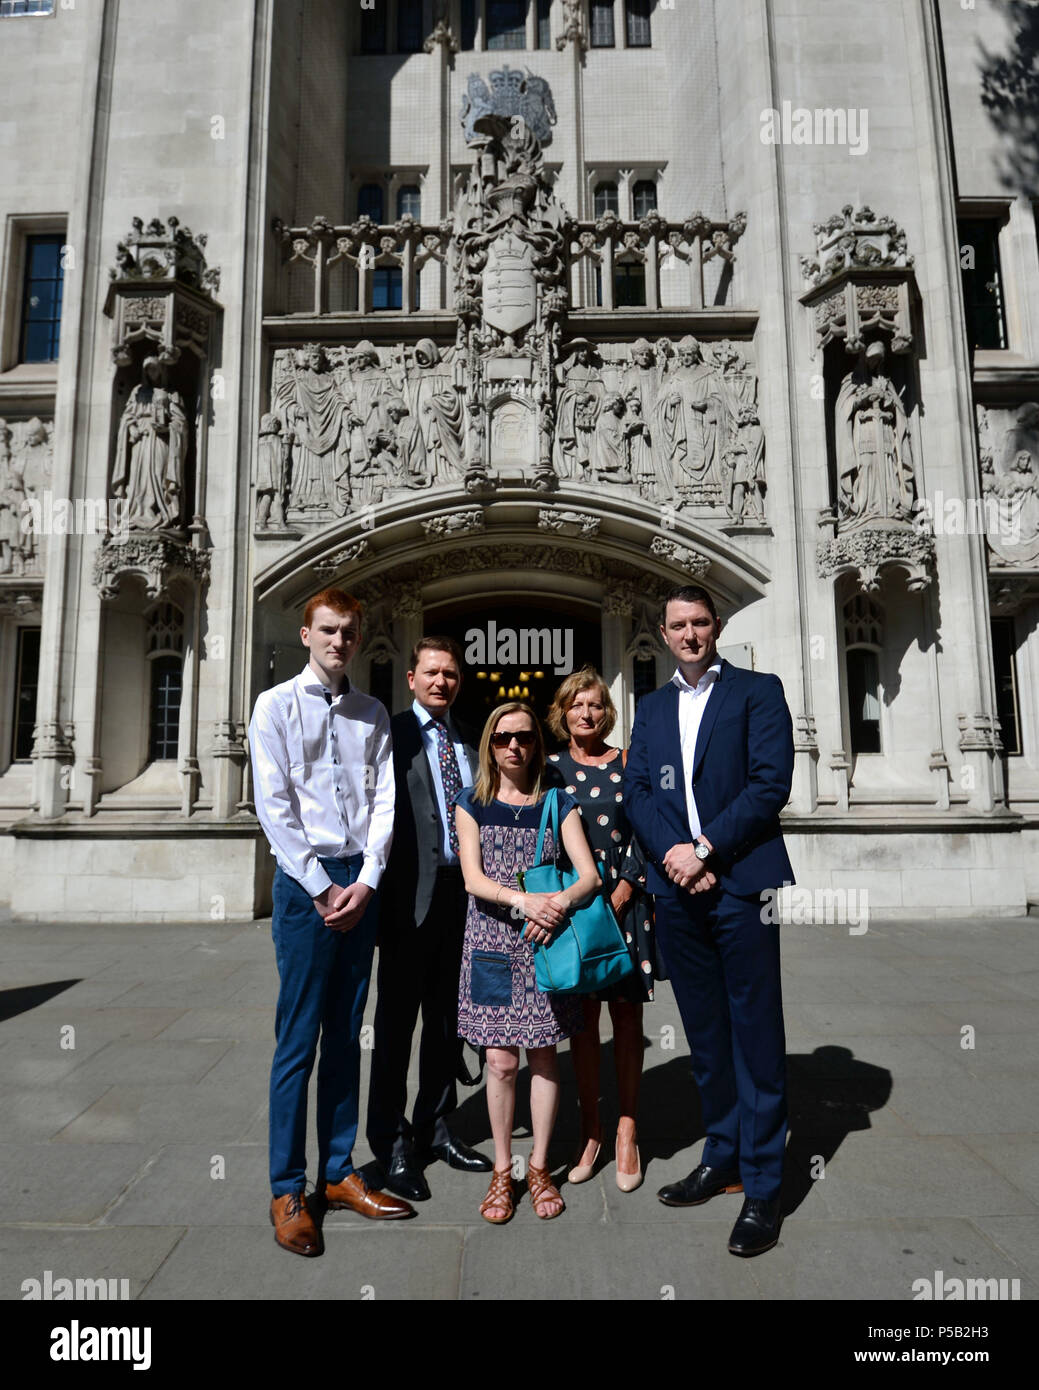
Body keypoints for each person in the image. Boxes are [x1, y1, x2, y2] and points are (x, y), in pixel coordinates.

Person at [624, 585, 795, 1257]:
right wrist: (672, 855)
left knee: (755, 1035)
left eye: (699, 623)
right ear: (662, 633)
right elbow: (637, 790)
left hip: (740, 885)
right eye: (677, 625)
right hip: (677, 894)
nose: (689, 634)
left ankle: (762, 1184)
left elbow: (767, 784)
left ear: (714, 626)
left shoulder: (757, 691)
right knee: (705, 1036)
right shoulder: (653, 706)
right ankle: (721, 1153)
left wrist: (703, 850)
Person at [248, 587, 414, 1258]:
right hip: (304, 886)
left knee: (348, 1033)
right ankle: (288, 1189)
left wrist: (369, 879)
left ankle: (339, 1173)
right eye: (327, 630)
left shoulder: (373, 710)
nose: (338, 641)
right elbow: (272, 803)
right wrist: (321, 888)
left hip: (359, 883)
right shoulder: (274, 705)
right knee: (298, 1041)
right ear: (306, 632)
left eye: (348, 630)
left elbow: (384, 800)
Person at [454, 702, 600, 1223]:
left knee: (542, 1057)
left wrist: (553, 905)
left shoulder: (558, 803)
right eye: (502, 737)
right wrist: (523, 901)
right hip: (491, 942)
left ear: (538, 744)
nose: (513, 745)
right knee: (500, 1061)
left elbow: (588, 877)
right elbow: (471, 879)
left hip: (544, 944)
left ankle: (537, 1167)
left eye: (524, 737)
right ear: (489, 745)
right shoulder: (471, 803)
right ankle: (502, 1169)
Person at [366, 636, 493, 1201]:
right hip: (406, 899)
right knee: (396, 1025)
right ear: (411, 678)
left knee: (448, 1021)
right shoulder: (388, 733)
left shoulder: (471, 737)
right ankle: (391, 1143)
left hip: (463, 897)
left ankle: (436, 1128)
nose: (442, 681)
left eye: (450, 673)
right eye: (432, 673)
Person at [545, 667, 662, 1193]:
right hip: (577, 911)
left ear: (606, 710)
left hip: (625, 905)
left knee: (627, 1019)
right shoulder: (549, 769)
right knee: (583, 1023)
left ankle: (627, 1129)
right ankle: (589, 1132)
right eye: (576, 705)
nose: (586, 714)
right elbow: (541, 837)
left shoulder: (628, 762)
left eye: (594, 705)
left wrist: (627, 887)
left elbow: (650, 827)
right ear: (563, 712)